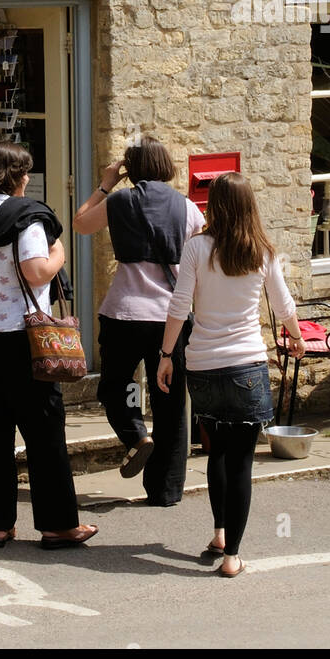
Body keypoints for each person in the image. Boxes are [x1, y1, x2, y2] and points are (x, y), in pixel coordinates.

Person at [0, 140, 97, 549]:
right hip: (19, 338)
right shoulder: (25, 218)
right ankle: (58, 525)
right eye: (25, 171)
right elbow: (35, 272)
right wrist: (59, 255)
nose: (29, 178)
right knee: (44, 433)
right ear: (14, 176)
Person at [157, 172, 304, 578]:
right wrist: (297, 337)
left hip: (202, 364)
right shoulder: (262, 251)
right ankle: (232, 556)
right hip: (246, 366)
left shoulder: (196, 249)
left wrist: (166, 354)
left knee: (216, 451)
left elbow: (178, 306)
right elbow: (283, 304)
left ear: (214, 205)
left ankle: (220, 531)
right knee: (241, 461)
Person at [73, 136, 204, 506]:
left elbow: (81, 223)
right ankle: (166, 491)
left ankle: (135, 435)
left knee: (113, 388)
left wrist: (105, 183)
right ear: (165, 166)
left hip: (125, 313)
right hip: (171, 318)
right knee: (170, 403)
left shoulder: (118, 201)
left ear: (130, 168)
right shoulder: (187, 208)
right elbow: (203, 257)